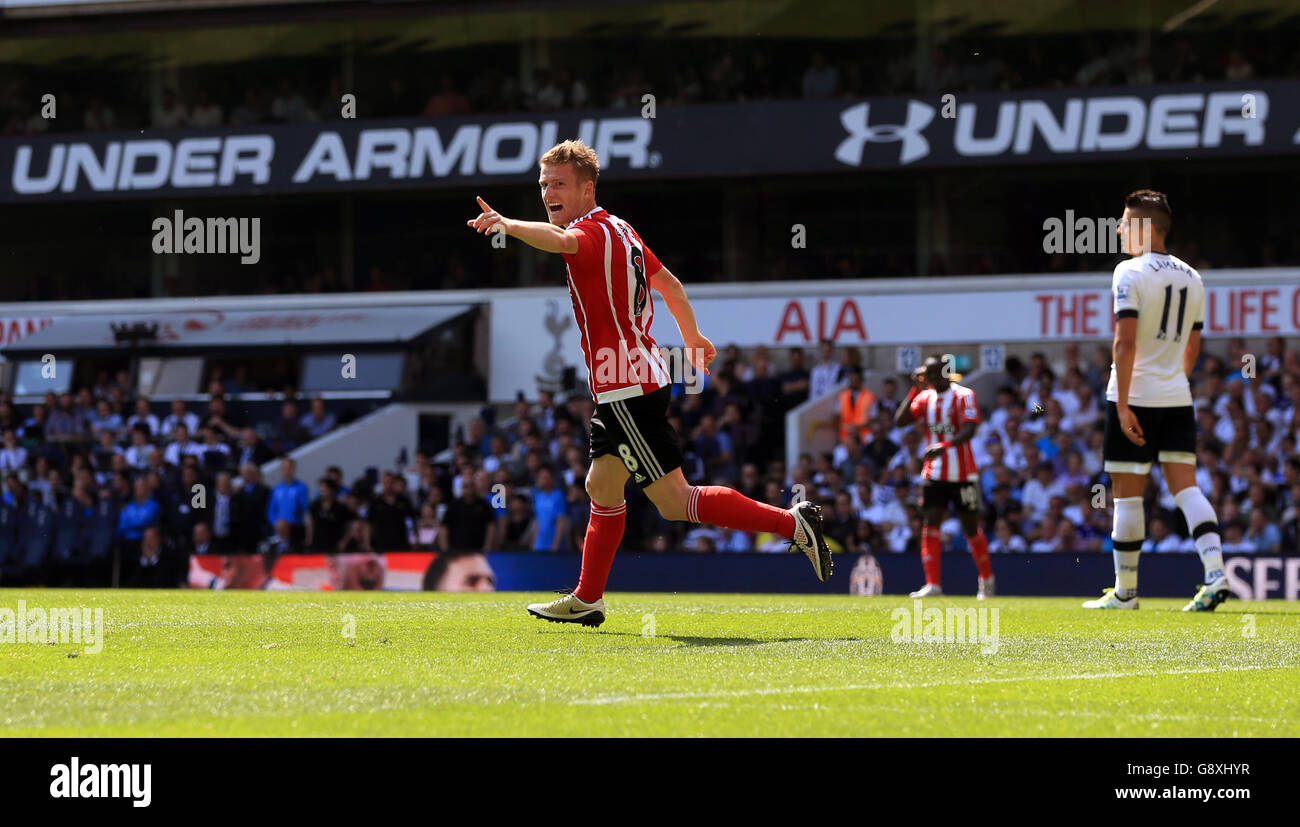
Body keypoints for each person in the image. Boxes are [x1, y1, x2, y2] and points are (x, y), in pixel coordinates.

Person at [466, 139, 829, 626]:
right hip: (628, 382)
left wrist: (508, 226)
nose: (548, 192)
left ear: (587, 187)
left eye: (558, 184)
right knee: (602, 485)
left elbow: (561, 242)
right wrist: (693, 335)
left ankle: (792, 523)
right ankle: (587, 598)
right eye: (543, 184)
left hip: (626, 388)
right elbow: (670, 285)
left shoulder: (588, 232)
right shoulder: (624, 229)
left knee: (675, 503)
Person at [1083, 189, 1228, 612]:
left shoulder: (1128, 272)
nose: (1118, 228)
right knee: (1187, 489)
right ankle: (1216, 573)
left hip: (1135, 394)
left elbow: (1124, 343)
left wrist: (1125, 404)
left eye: (1125, 222)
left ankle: (1126, 593)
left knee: (1127, 495)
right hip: (1176, 396)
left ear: (1144, 228)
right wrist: (1173, 383)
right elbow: (1193, 347)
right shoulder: (1193, 276)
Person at [894, 354, 996, 598]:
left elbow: (970, 430)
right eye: (925, 375)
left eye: (931, 374)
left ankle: (986, 578)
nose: (928, 379)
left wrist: (945, 446)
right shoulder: (924, 397)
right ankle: (933, 585)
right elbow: (900, 421)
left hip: (963, 474)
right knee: (930, 524)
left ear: (943, 373)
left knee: (971, 528)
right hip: (934, 473)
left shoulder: (964, 395)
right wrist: (913, 390)